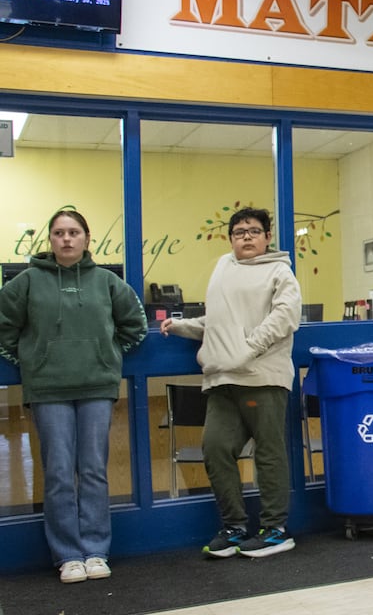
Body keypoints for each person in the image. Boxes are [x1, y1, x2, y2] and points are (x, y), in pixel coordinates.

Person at [0, 210, 147, 584]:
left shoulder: (107, 282)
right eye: (59, 233)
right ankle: (67, 555)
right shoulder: (26, 282)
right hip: (48, 390)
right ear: (50, 239)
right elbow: (4, 328)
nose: (67, 239)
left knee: (94, 471)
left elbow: (135, 325)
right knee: (60, 473)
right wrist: (32, 361)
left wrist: (107, 357)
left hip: (96, 388)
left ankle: (97, 551)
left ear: (86, 238)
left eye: (74, 232)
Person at [161, 206, 301, 559]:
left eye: (254, 231)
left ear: (268, 237)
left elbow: (285, 317)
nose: (247, 237)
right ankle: (235, 527)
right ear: (231, 239)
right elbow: (221, 322)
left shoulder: (280, 272)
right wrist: (183, 327)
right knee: (215, 447)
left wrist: (247, 349)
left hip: (262, 377)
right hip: (222, 377)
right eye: (239, 232)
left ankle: (275, 530)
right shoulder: (224, 267)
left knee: (268, 454)